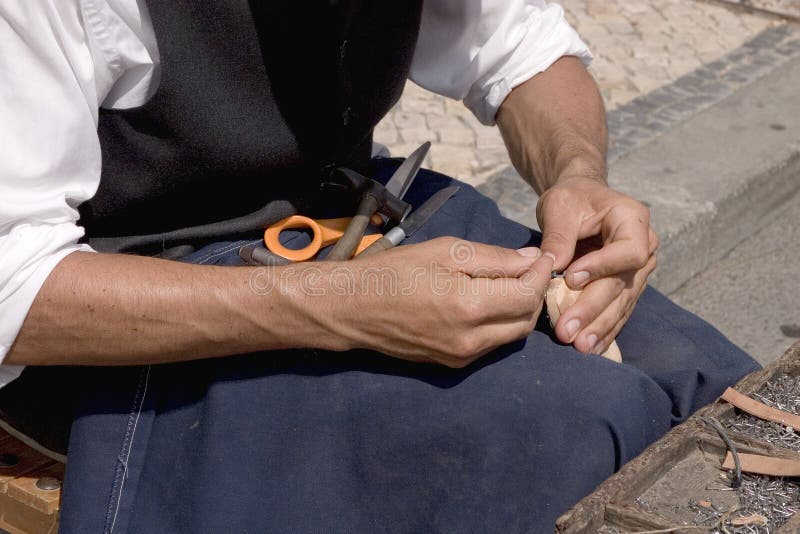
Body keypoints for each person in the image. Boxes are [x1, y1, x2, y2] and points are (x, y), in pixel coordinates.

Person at [0, 0, 758, 531]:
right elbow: (14, 287)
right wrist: (342, 306)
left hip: (338, 210)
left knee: (715, 391)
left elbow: (522, 48)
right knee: (565, 425)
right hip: (125, 306)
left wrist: (577, 173)